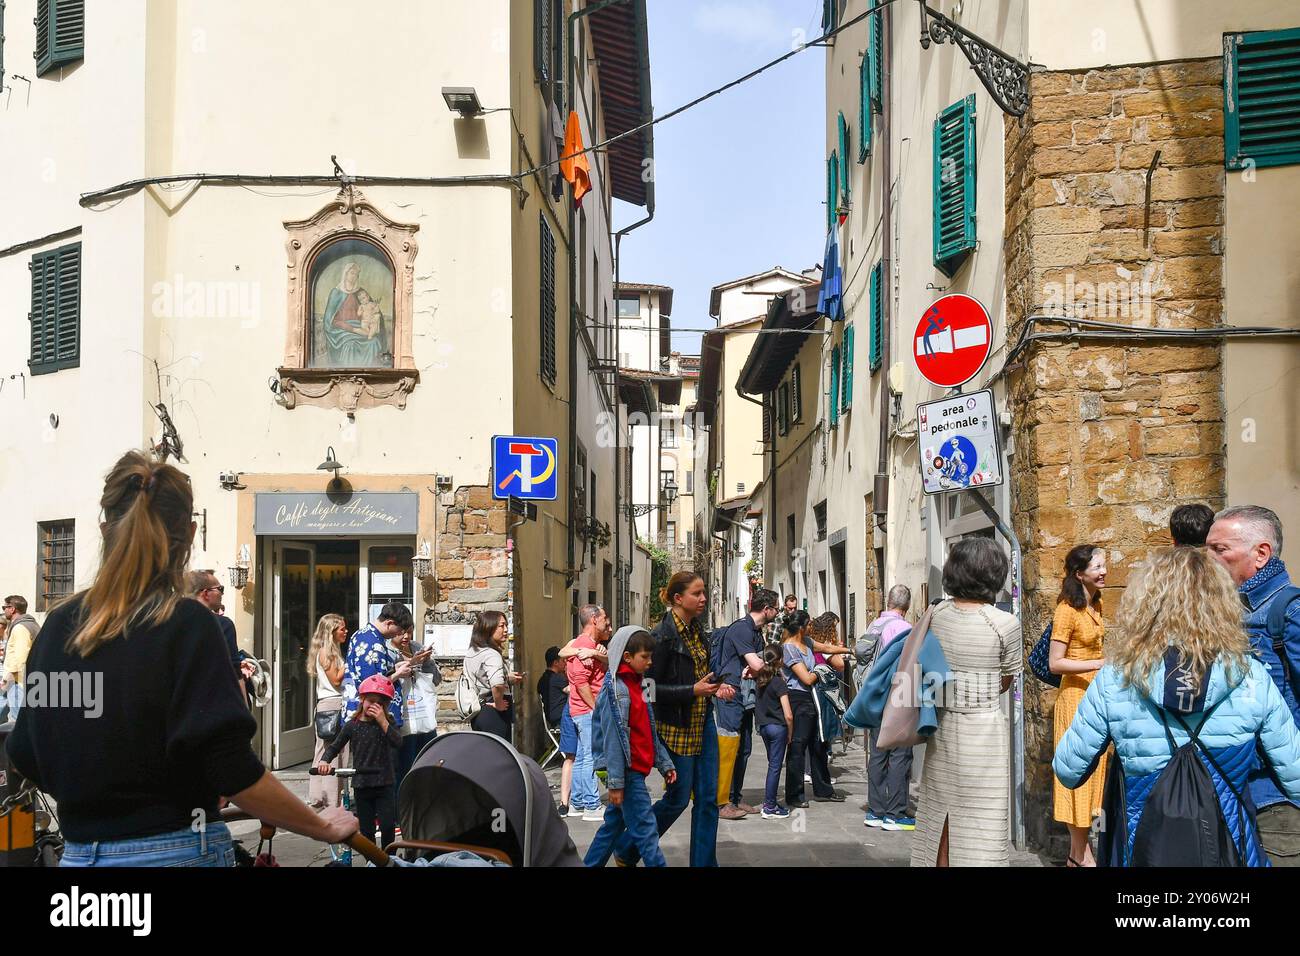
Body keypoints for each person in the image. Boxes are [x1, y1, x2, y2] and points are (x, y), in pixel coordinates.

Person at [4, 450, 356, 866]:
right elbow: (231, 769)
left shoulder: (58, 628)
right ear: (189, 534)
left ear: (103, 528)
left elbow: (27, 752)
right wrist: (324, 827)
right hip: (180, 849)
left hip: (81, 858)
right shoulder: (187, 623)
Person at [1055, 547, 1300, 867]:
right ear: (1221, 602)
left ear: (1144, 605)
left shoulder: (1117, 679)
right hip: (1231, 852)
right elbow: (1294, 777)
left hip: (1142, 852)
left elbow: (1069, 770)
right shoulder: (1250, 676)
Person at [912, 537, 1022, 867]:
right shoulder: (1004, 623)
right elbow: (1005, 681)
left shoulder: (937, 614)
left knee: (940, 812)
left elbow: (926, 664)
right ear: (995, 574)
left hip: (943, 724)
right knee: (984, 819)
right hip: (985, 731)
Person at [612, 572, 725, 868]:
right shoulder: (661, 637)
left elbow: (698, 674)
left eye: (703, 593)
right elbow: (647, 689)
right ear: (678, 598)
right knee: (677, 799)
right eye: (696, 594)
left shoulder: (698, 630)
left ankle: (704, 863)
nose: (703, 599)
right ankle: (627, 848)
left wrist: (715, 687)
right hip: (677, 727)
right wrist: (692, 690)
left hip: (703, 722)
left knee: (709, 800)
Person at [1208, 505, 1300, 865]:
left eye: (1220, 550)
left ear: (1261, 554)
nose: (1209, 559)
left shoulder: (1288, 612)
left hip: (1278, 802)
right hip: (1236, 794)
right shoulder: (1233, 610)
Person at [584, 627, 677, 867]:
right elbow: (612, 740)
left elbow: (649, 729)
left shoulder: (644, 684)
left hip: (635, 769)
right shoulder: (615, 690)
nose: (650, 662)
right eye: (644, 657)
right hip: (627, 772)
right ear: (627, 657)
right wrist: (616, 783)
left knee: (612, 828)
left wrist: (664, 763)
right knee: (647, 832)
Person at [1049, 544, 1108, 867]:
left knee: (1096, 777)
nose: (1104, 571)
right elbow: (1055, 663)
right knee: (1078, 775)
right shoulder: (1066, 611)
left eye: (1104, 565)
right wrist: (1099, 662)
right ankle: (1081, 854)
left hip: (1095, 699)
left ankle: (1080, 853)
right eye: (1097, 566)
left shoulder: (1096, 606)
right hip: (1074, 701)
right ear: (1078, 573)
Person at [319, 674, 403, 852]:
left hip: (384, 783)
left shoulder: (388, 723)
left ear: (386, 706)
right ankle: (372, 860)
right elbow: (335, 746)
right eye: (371, 701)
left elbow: (398, 742)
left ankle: (389, 859)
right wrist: (324, 760)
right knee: (366, 830)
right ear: (362, 699)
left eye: (380, 703)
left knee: (388, 826)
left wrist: (382, 721)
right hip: (362, 783)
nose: (374, 706)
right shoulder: (352, 725)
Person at [715, 588, 779, 820]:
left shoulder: (755, 630)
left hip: (745, 697)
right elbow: (758, 664)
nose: (778, 612)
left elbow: (755, 665)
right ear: (766, 609)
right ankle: (721, 803)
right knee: (728, 747)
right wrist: (766, 666)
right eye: (776, 608)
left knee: (744, 749)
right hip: (730, 694)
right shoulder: (742, 628)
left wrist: (755, 666)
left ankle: (734, 797)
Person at [864, 584, 916, 831]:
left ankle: (875, 810)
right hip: (896, 696)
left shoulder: (874, 625)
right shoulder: (904, 628)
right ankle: (895, 813)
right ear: (907, 606)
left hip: (873, 696)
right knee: (899, 755)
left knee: (877, 754)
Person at [781, 610, 844, 807]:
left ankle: (823, 789)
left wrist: (849, 651)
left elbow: (826, 647)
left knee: (819, 744)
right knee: (798, 746)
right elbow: (806, 678)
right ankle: (795, 795)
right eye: (809, 624)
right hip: (798, 699)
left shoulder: (807, 642)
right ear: (801, 627)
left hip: (814, 698)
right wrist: (822, 669)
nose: (811, 627)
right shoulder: (789, 648)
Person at [565, 605, 611, 821]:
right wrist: (595, 709)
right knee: (590, 757)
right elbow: (581, 681)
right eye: (604, 619)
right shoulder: (584, 644)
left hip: (581, 709)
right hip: (586, 710)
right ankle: (591, 805)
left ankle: (578, 803)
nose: (607, 624)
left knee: (583, 757)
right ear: (594, 620)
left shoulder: (588, 645)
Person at [343, 602, 415, 730]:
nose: (398, 635)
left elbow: (377, 674)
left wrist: (394, 669)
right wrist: (398, 674)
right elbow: (372, 686)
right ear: (389, 623)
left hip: (366, 716)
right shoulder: (371, 642)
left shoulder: (365, 635)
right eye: (399, 631)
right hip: (368, 719)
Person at [307, 613, 350, 809]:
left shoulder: (328, 652)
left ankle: (318, 796)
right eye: (342, 629)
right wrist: (351, 664)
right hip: (333, 704)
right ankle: (332, 799)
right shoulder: (327, 653)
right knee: (335, 751)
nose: (345, 632)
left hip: (327, 704)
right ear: (332, 631)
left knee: (323, 750)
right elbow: (336, 680)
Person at [392, 627, 438, 797]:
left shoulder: (416, 647)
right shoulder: (389, 652)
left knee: (426, 760)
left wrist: (425, 661)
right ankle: (402, 805)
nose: (406, 636)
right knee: (404, 764)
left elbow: (436, 680)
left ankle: (422, 800)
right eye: (401, 632)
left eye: (409, 631)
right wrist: (407, 666)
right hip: (403, 718)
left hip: (423, 716)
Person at [463, 610, 522, 740]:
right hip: (495, 712)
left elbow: (482, 678)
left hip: (479, 711)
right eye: (501, 626)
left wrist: (507, 678)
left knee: (485, 755)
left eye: (506, 625)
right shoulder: (491, 654)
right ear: (488, 628)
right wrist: (498, 702)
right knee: (500, 755)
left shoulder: (472, 651)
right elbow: (497, 684)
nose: (506, 630)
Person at [754, 644, 793, 819]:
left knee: (772, 765)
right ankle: (769, 805)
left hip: (764, 727)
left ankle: (771, 802)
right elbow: (788, 714)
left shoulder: (760, 681)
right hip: (778, 728)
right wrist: (790, 732)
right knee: (775, 767)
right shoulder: (779, 683)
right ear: (779, 661)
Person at [538, 646, 577, 814]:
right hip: (561, 717)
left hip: (552, 717)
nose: (564, 664)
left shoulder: (543, 679)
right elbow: (574, 690)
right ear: (555, 662)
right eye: (563, 661)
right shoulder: (557, 679)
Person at [0, 597, 37, 721]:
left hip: (17, 683)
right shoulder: (31, 624)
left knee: (16, 721)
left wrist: (8, 680)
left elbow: (22, 659)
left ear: (12, 609)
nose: (4, 611)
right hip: (19, 681)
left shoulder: (20, 628)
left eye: (4, 607)